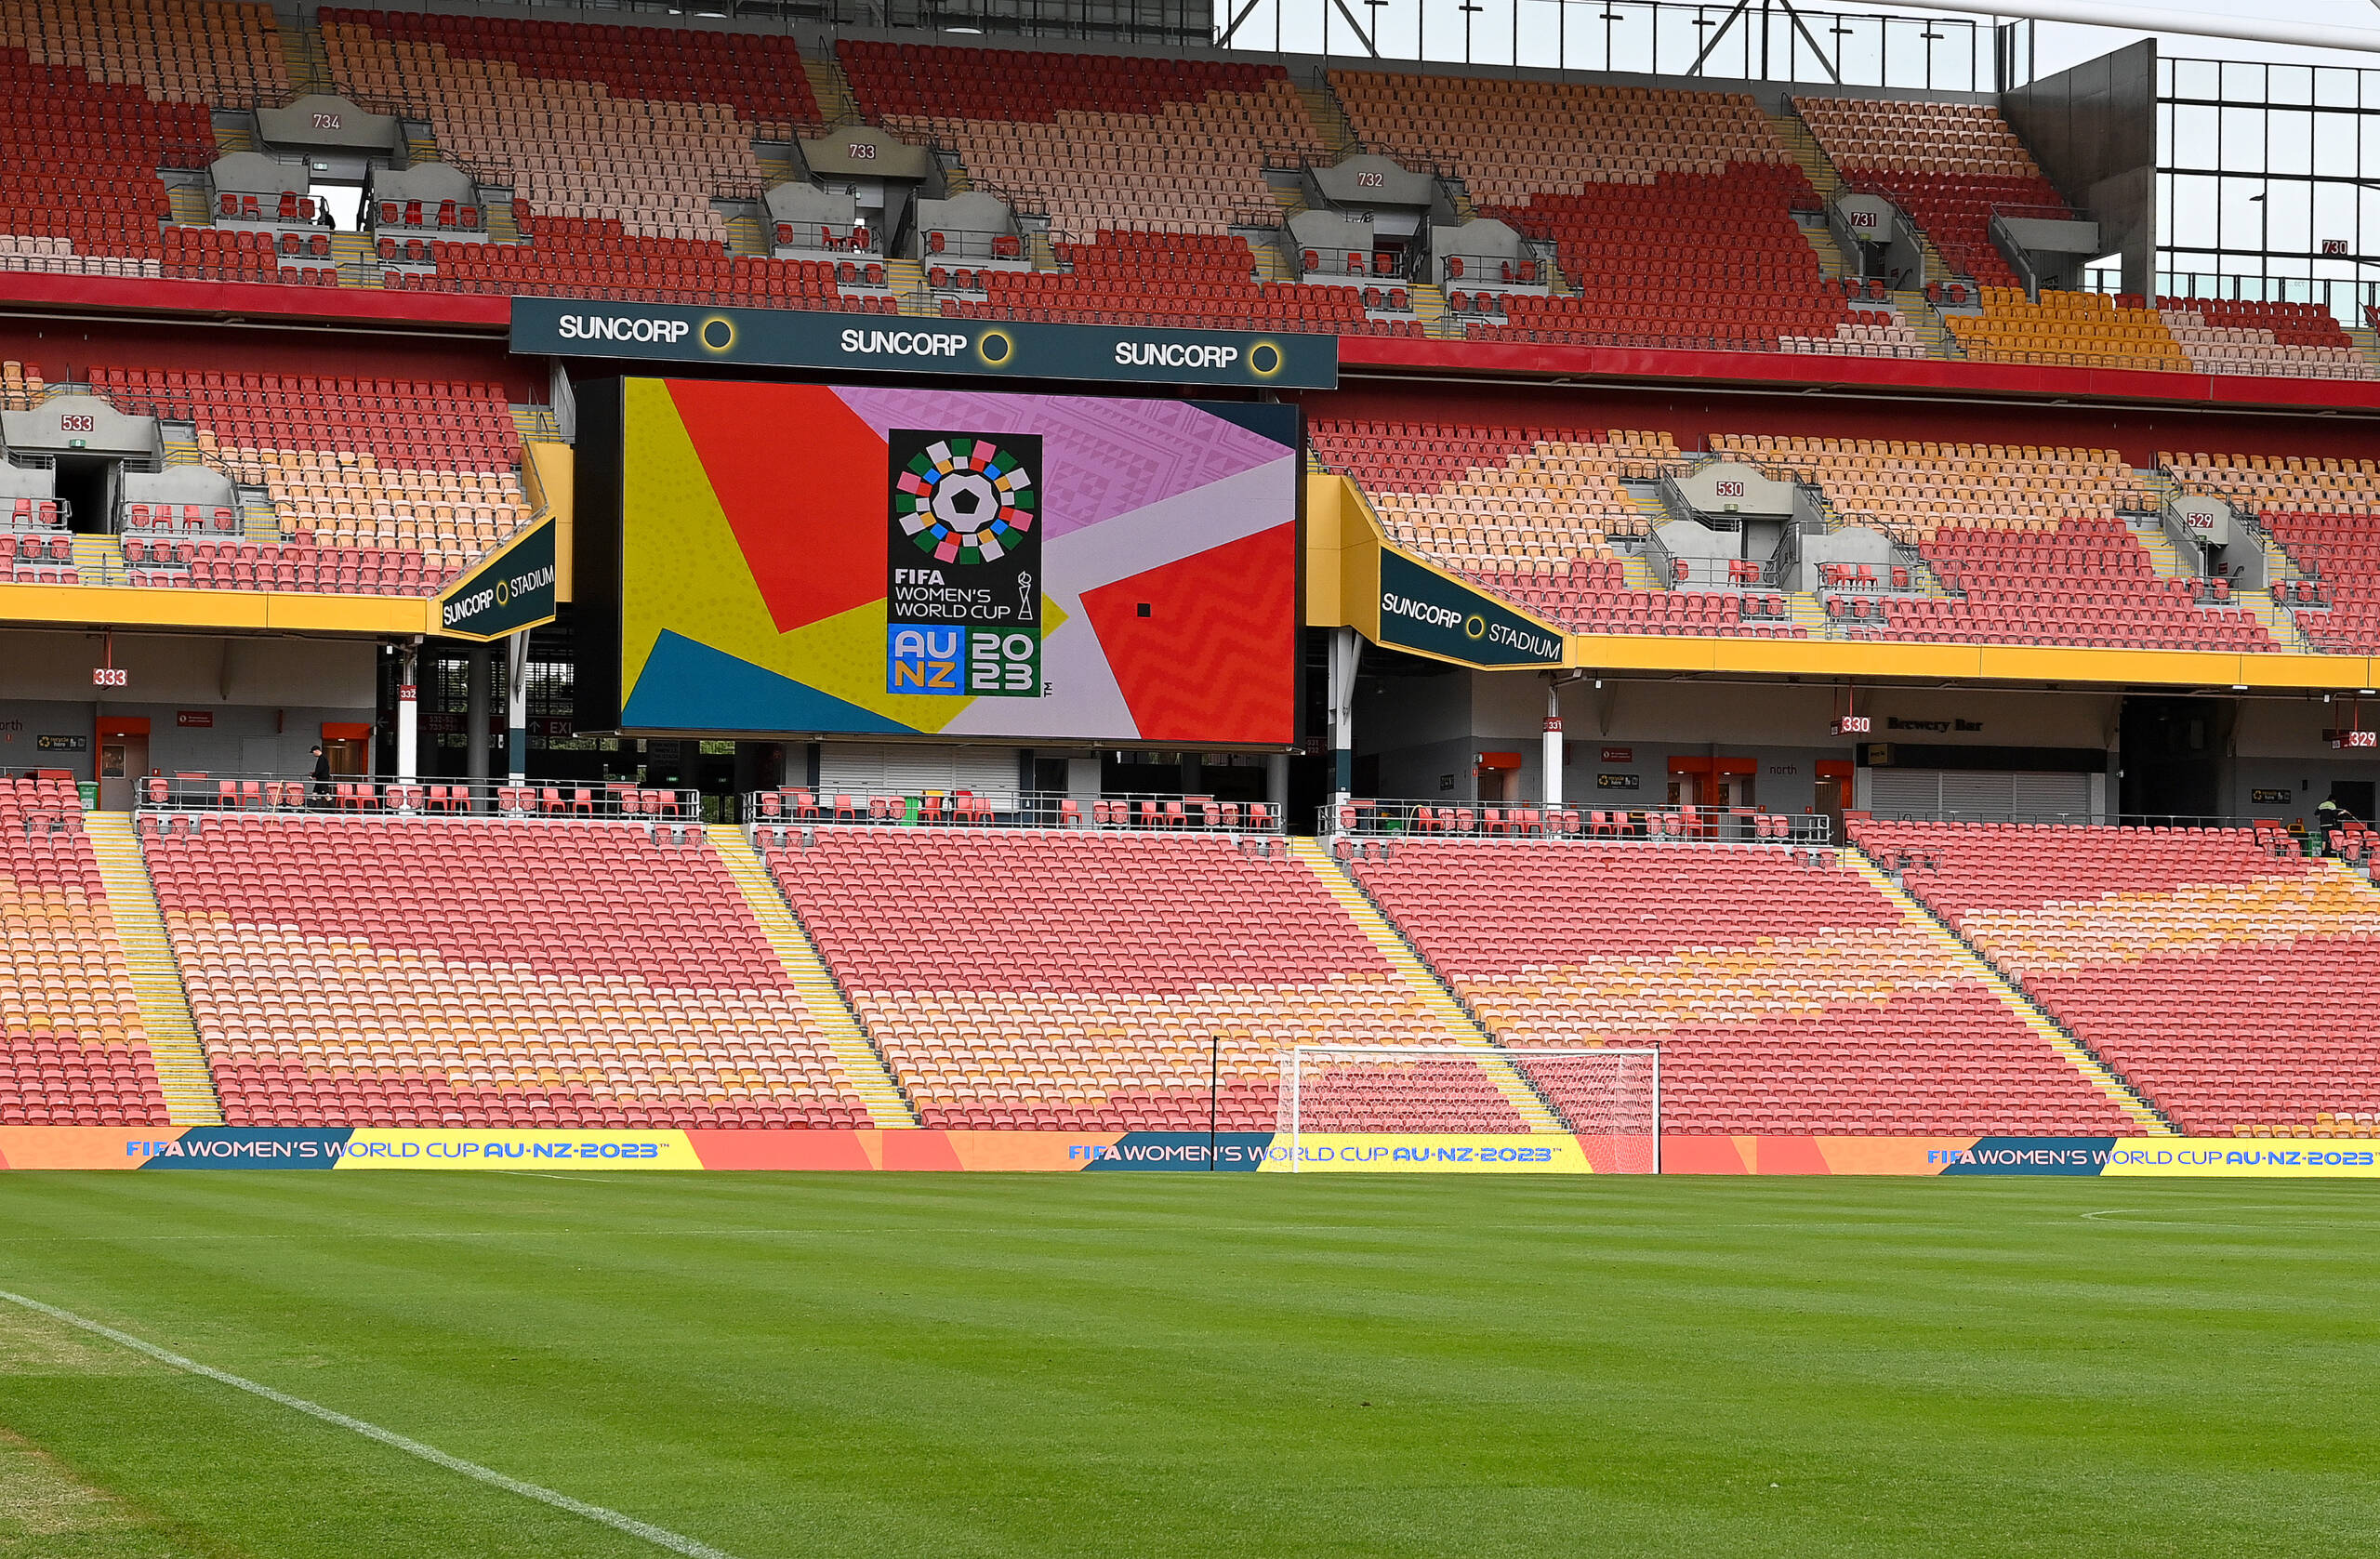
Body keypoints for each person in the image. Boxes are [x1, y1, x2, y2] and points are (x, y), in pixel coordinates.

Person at [309, 744, 330, 808]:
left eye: (313, 752)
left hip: (322, 780)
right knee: (314, 793)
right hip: (320, 779)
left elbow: (319, 769)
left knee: (326, 795)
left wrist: (313, 775)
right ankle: (311, 808)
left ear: (316, 751)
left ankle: (333, 810)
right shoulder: (323, 758)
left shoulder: (322, 759)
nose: (313, 754)